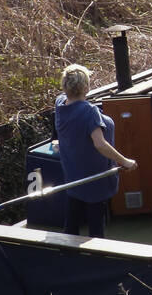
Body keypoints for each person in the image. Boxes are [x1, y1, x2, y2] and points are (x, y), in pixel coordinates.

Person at [54, 64, 136, 238]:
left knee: (71, 225)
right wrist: (125, 161)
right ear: (85, 88)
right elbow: (100, 144)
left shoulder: (59, 103)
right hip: (94, 179)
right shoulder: (90, 112)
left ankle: (66, 256)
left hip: (73, 175)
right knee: (96, 229)